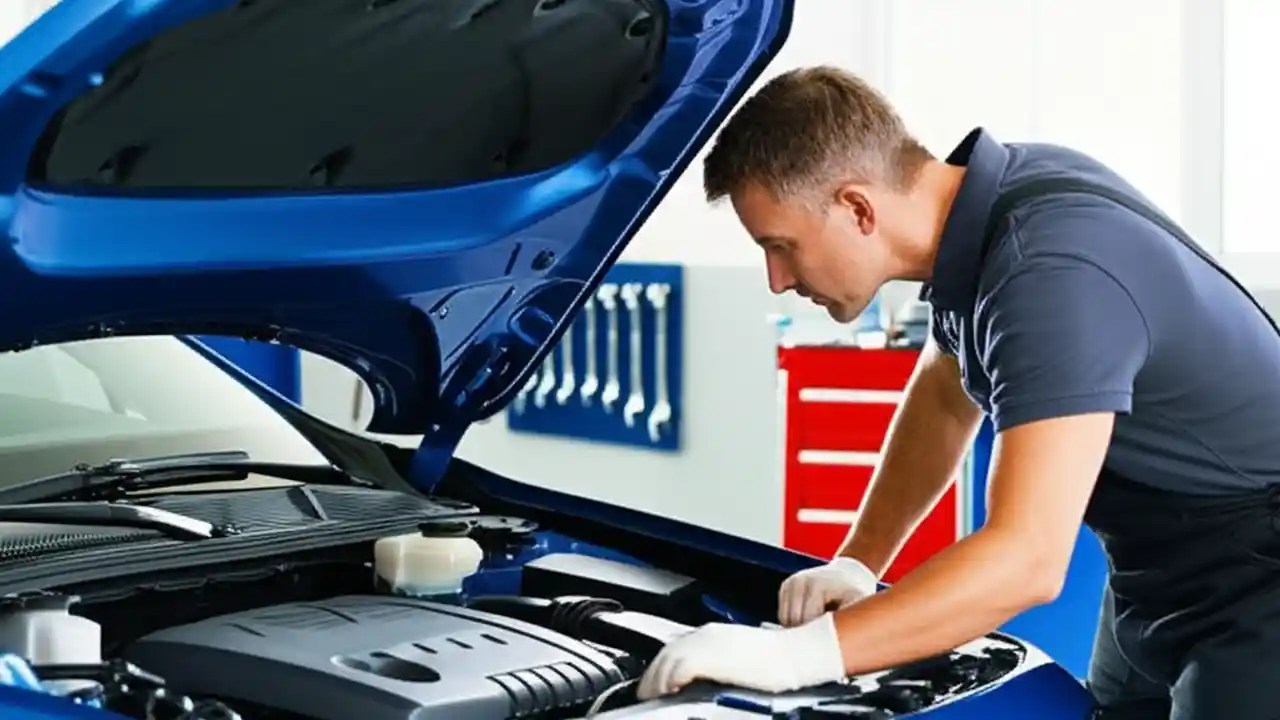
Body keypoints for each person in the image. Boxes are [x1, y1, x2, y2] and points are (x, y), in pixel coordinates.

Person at [634, 65, 1280, 719]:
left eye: (782, 246)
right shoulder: (986, 216)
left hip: (1261, 584)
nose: (776, 279)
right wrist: (859, 561)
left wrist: (794, 657)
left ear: (858, 208)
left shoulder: (1047, 269)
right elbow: (946, 392)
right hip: (1154, 571)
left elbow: (1026, 559)